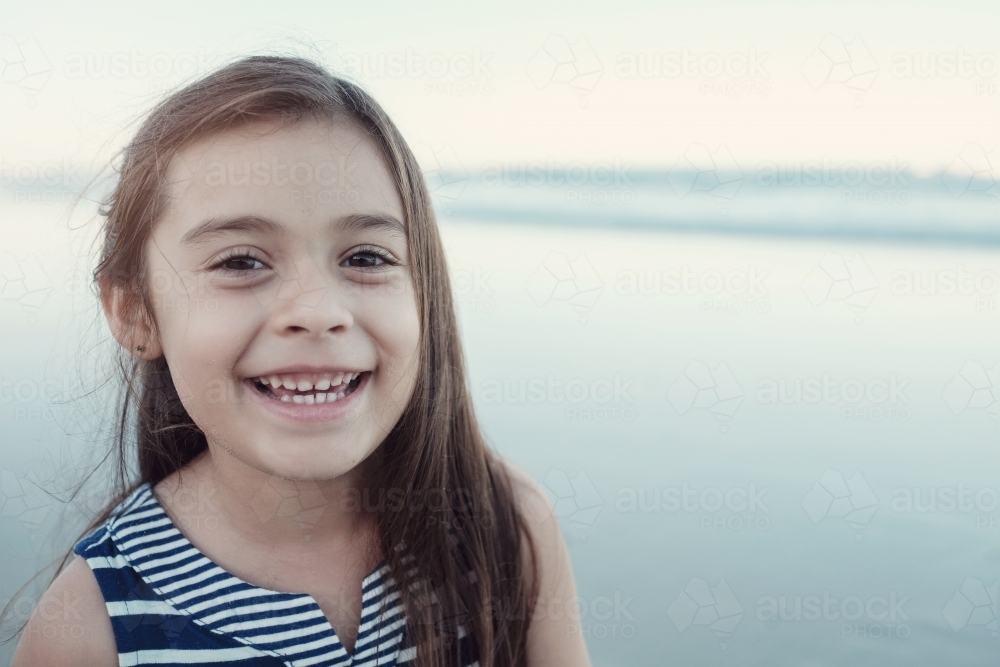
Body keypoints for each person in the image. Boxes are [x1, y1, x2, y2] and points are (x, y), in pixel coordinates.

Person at [12, 55, 591, 667]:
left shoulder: (504, 527)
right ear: (136, 313)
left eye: (366, 257)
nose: (317, 312)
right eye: (241, 261)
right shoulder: (91, 627)